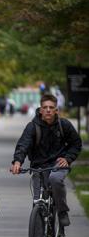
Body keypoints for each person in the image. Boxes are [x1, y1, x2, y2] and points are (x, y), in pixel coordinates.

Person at [11, 93, 82, 228]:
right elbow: (23, 145)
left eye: (51, 107)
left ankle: (62, 212)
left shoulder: (64, 125)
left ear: (56, 110)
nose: (48, 110)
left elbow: (76, 144)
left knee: (55, 179)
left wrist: (68, 158)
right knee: (38, 202)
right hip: (38, 166)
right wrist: (17, 161)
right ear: (41, 109)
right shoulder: (32, 126)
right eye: (45, 107)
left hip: (58, 165)